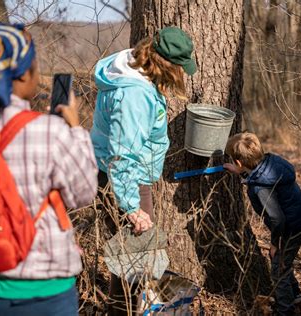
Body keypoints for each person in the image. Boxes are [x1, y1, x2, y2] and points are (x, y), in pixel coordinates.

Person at [0, 25, 98, 315]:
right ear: (24, 74)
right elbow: (84, 193)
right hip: (45, 292)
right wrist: (75, 129)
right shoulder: (49, 131)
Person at [90, 26, 196, 314]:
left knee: (129, 262)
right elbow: (122, 155)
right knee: (134, 265)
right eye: (181, 68)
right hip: (126, 182)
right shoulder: (135, 96)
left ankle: (121, 308)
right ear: (167, 64)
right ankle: (122, 311)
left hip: (127, 178)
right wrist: (131, 207)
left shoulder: (132, 68)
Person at [224, 132, 301, 315]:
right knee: (281, 263)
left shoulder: (261, 187)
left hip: (290, 228)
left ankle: (285, 311)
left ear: (239, 162)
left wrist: (274, 243)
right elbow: (258, 174)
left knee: (278, 271)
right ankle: (298, 299)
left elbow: (277, 218)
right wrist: (240, 172)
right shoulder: (272, 163)